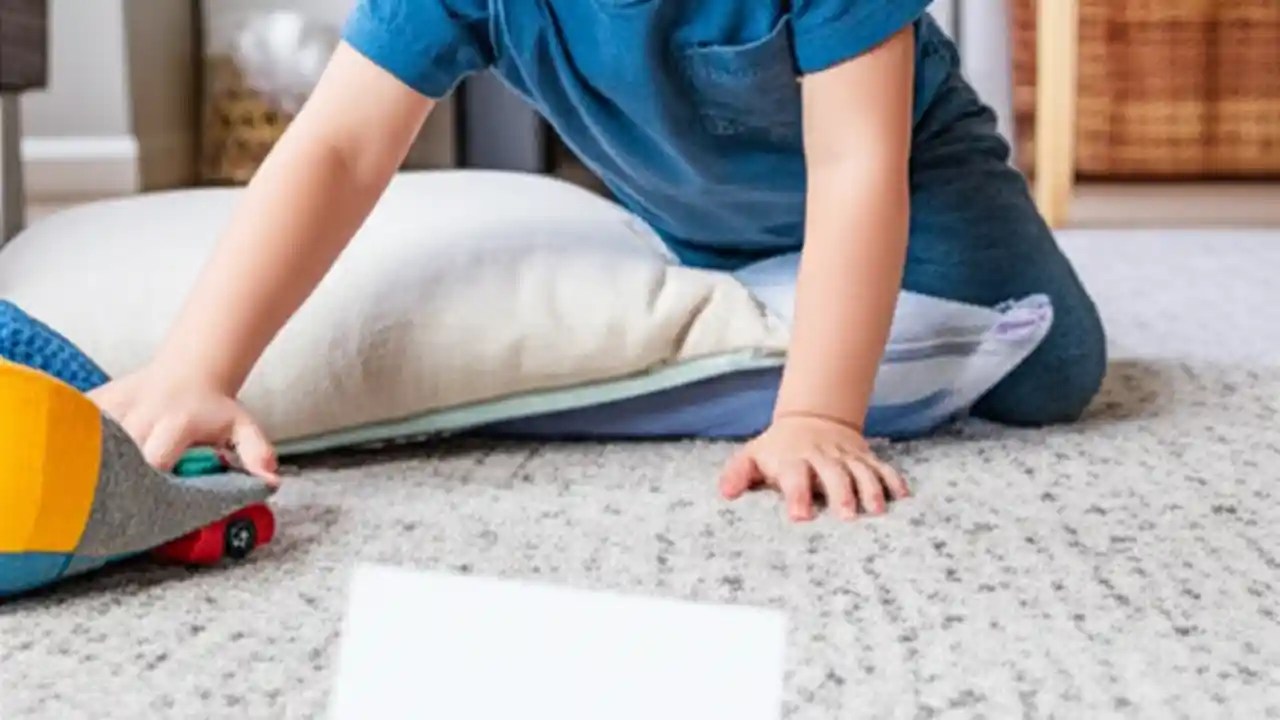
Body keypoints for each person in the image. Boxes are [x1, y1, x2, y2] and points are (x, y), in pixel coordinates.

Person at [89, 1, 1106, 523]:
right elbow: (338, 146)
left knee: (1055, 370)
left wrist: (815, 418)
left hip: (908, 171)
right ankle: (749, 317)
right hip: (690, 210)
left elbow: (855, 163)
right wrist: (198, 365)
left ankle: (794, 348)